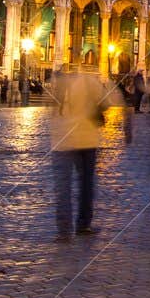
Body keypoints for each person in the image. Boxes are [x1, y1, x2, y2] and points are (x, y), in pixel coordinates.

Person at [50, 71, 111, 242]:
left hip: (61, 141)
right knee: (86, 184)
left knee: (63, 188)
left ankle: (64, 231)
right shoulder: (89, 81)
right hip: (86, 139)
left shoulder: (58, 85)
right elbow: (105, 102)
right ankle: (83, 224)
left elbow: (53, 112)